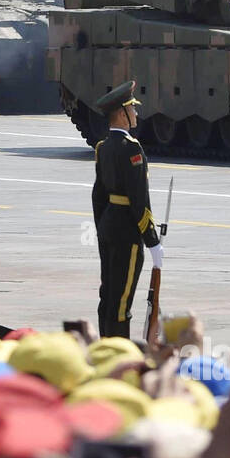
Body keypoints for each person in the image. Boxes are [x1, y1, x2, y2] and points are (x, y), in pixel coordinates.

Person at [90, 80, 163, 338]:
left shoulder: (103, 147)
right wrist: (152, 241)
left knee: (108, 295)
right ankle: (118, 353)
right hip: (127, 233)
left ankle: (104, 348)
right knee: (122, 301)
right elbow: (138, 199)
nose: (135, 114)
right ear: (121, 114)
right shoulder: (131, 149)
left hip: (108, 228)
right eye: (132, 109)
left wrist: (102, 227)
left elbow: (98, 196)